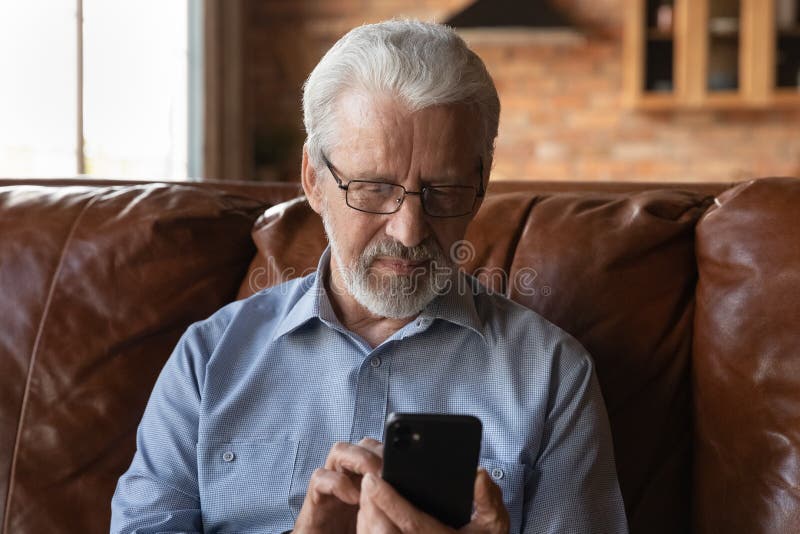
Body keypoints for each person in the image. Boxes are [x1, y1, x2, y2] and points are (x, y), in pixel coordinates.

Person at [111, 19, 627, 534]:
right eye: (374, 188)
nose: (408, 232)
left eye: (443, 191)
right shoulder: (210, 360)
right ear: (314, 181)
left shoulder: (553, 376)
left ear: (481, 185)